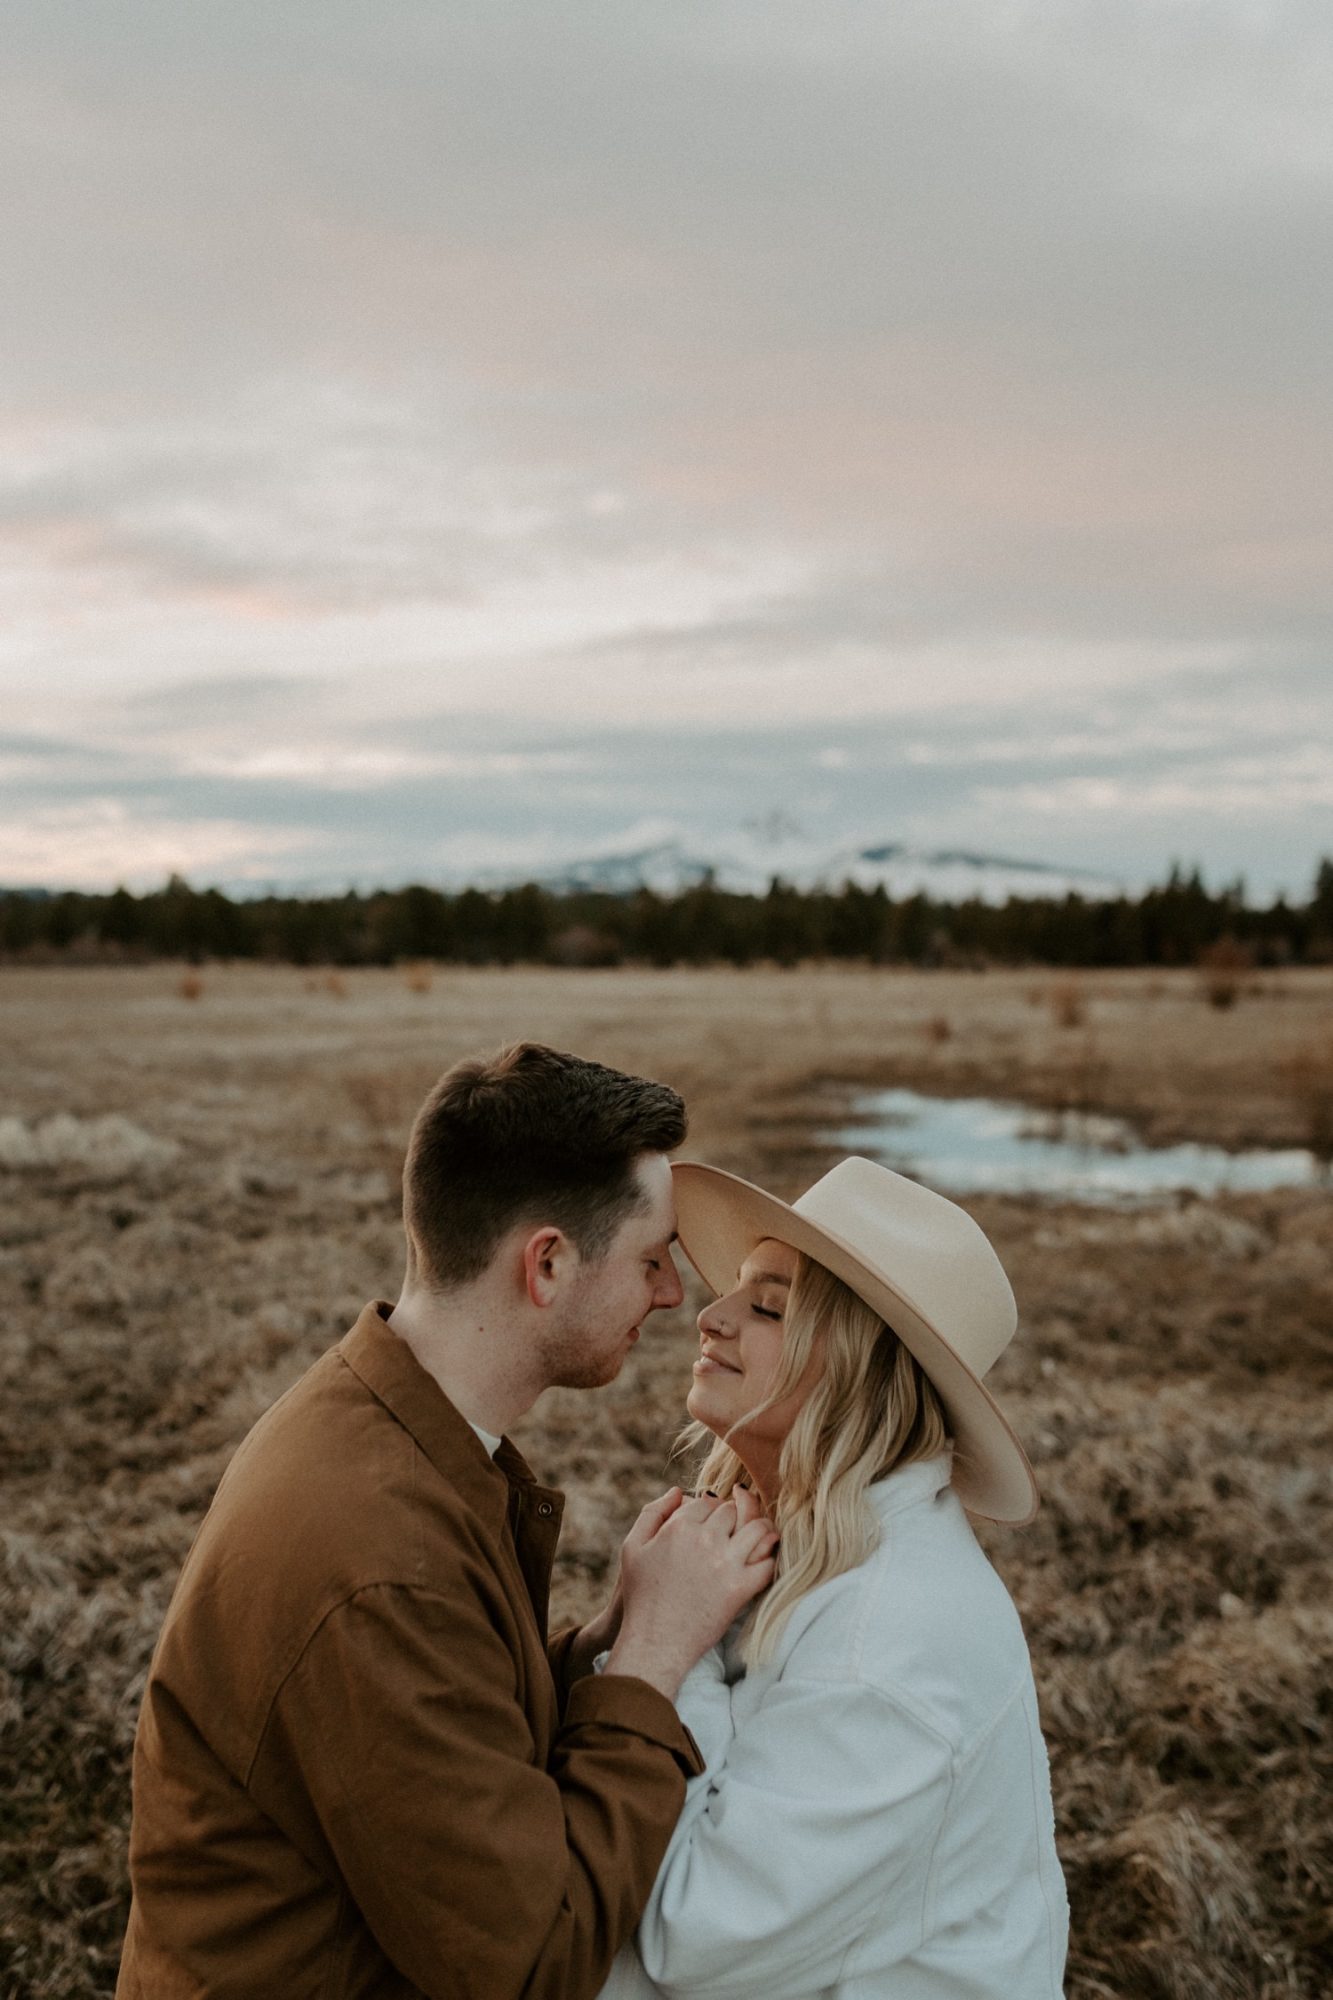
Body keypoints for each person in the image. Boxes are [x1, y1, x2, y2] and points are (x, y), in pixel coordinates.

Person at [116, 1043, 778, 2000]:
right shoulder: (379, 1556)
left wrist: (609, 1638)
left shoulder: (391, 1431)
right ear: (546, 1263)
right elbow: (529, 1963)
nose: (676, 1296)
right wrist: (650, 1663)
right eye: (651, 1260)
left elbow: (445, 1724)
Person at [600, 1154, 1069, 2000]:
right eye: (735, 1289)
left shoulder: (888, 1647)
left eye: (769, 1306)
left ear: (859, 1368)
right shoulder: (779, 1538)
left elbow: (689, 1938)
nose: (708, 1315)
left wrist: (671, 1648)